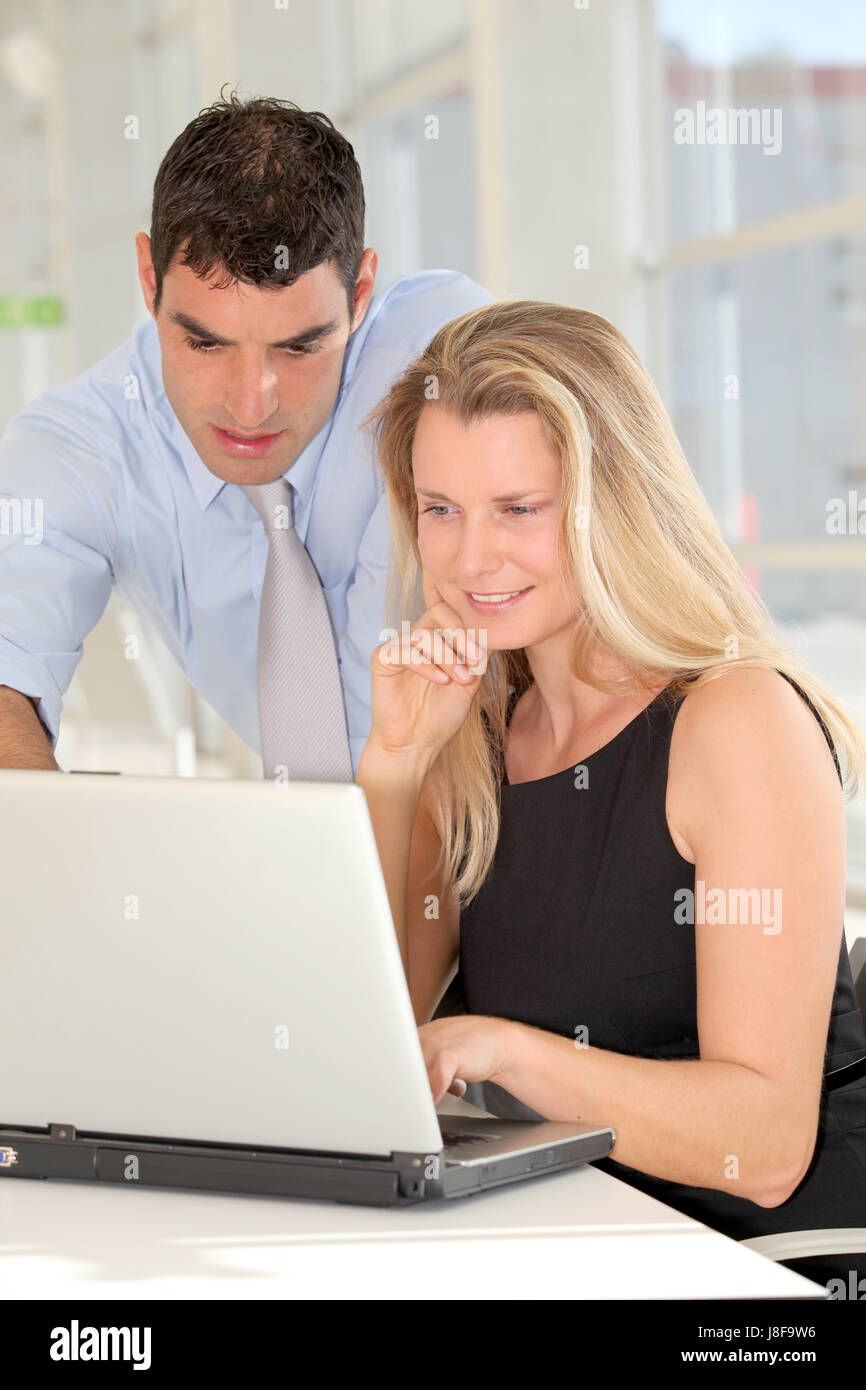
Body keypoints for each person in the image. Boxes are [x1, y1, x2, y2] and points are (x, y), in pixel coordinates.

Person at [355, 298, 866, 1292]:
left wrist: (510, 1051)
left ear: (610, 502)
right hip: (595, 1230)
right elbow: (384, 1023)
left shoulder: (735, 720)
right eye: (439, 508)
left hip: (779, 1259)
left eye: (518, 509)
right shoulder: (475, 726)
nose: (465, 560)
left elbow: (760, 1146)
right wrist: (392, 763)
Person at [0, 91, 492, 775]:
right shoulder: (87, 449)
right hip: (327, 856)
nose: (252, 406)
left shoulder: (444, 355)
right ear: (149, 279)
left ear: (360, 293)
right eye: (206, 345)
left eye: (299, 348)